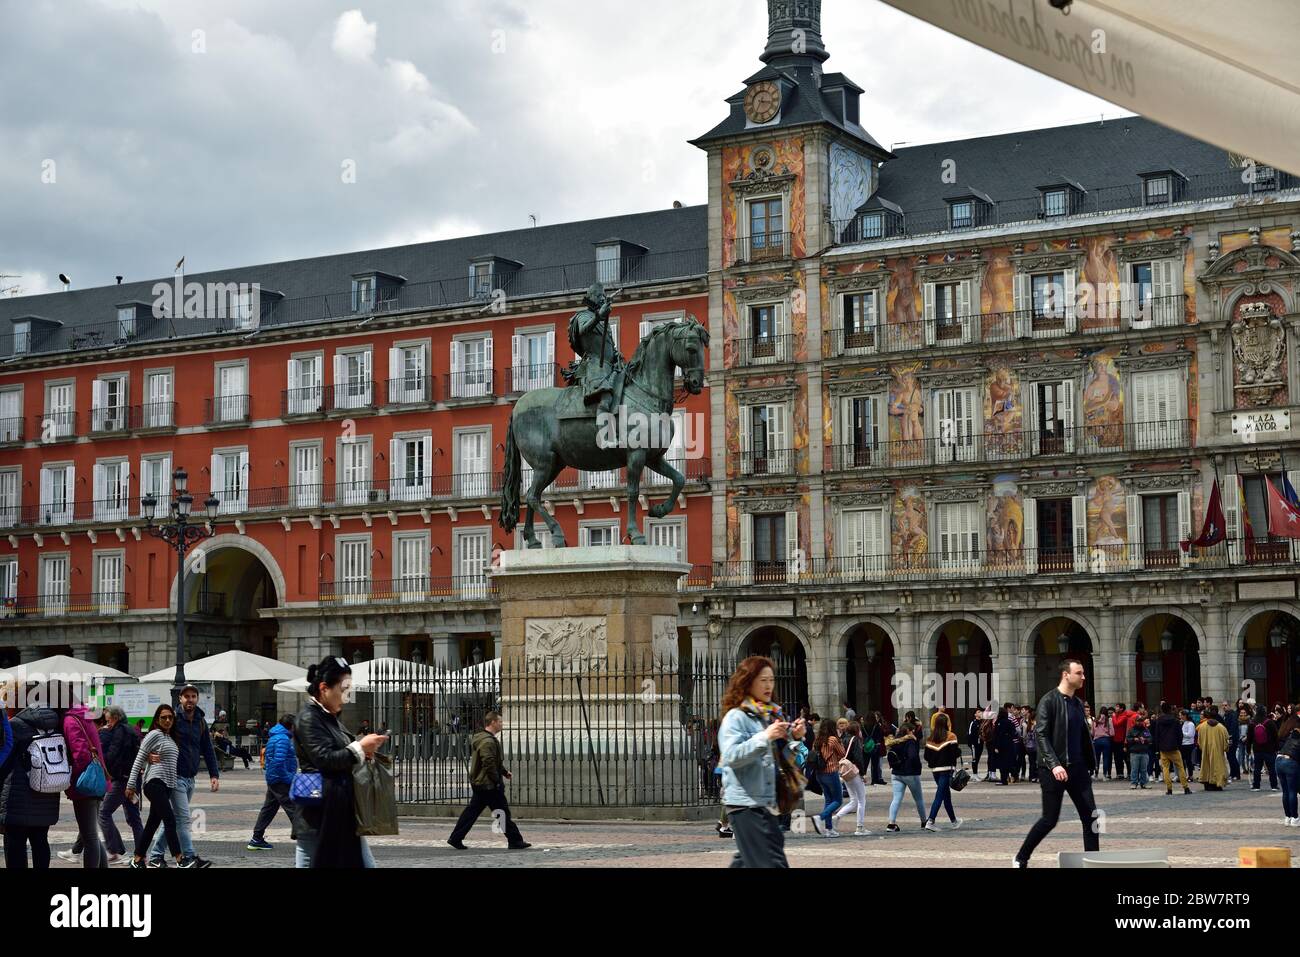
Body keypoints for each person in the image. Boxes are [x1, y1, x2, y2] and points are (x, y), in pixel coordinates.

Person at [713, 656, 807, 867]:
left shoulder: (766, 715)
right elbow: (731, 757)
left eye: (771, 680)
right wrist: (765, 736)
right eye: (763, 680)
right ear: (748, 681)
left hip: (765, 802)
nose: (768, 685)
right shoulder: (736, 717)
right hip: (745, 804)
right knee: (772, 863)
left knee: (749, 862)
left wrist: (795, 738)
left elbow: (778, 761)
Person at [293, 658, 386, 867]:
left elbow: (343, 754)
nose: (347, 697)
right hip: (317, 810)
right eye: (344, 689)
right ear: (324, 688)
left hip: (340, 808)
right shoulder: (309, 717)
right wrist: (360, 748)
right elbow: (324, 759)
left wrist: (364, 751)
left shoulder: (330, 716)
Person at [1014, 659, 1099, 867]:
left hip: (1078, 769)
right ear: (1065, 675)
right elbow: (1041, 735)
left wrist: (1090, 763)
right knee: (1049, 820)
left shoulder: (1078, 704)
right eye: (1079, 673)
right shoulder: (1049, 701)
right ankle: (1021, 858)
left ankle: (1094, 861)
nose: (1083, 677)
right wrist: (1054, 764)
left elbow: (1083, 737)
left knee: (1093, 818)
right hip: (1053, 770)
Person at [146, 683, 220, 868]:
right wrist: (149, 754)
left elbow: (208, 750)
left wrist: (214, 774)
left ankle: (156, 856)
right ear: (180, 699)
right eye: (186, 696)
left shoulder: (200, 721)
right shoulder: (173, 718)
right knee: (184, 818)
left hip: (190, 778)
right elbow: (154, 736)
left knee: (173, 818)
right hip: (174, 776)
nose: (190, 699)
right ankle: (189, 856)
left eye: (193, 696)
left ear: (197, 699)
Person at [447, 710, 531, 851]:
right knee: (502, 812)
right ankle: (515, 840)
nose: (501, 724)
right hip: (488, 784)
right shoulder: (487, 741)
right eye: (500, 721)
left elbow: (492, 761)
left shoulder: (482, 738)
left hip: (481, 783)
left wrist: (504, 772)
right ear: (492, 722)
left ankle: (455, 838)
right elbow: (489, 762)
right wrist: (497, 780)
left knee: (472, 812)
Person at [0, 683, 63, 868]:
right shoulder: (54, 724)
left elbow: (5, 760)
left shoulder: (15, 725)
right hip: (48, 793)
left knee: (15, 845)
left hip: (17, 797)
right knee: (40, 841)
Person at [125, 704, 190, 869]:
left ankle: (137, 859)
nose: (167, 720)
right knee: (170, 819)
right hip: (154, 783)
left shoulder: (170, 738)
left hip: (166, 786)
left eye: (170, 717)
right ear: (157, 719)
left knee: (152, 824)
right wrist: (131, 784)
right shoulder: (154, 734)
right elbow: (139, 758)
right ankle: (180, 859)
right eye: (164, 717)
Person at [62, 691, 108, 869]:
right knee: (92, 835)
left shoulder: (70, 719)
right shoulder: (84, 714)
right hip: (98, 781)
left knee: (89, 837)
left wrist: (77, 779)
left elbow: (80, 754)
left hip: (86, 784)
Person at [247, 714, 301, 851]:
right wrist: (289, 778)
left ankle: (256, 838)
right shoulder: (282, 739)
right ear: (291, 726)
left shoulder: (276, 737)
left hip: (274, 779)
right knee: (294, 808)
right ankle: (306, 839)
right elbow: (278, 762)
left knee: (268, 809)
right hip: (280, 780)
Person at [884, 720, 927, 832]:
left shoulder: (895, 741)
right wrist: (917, 767)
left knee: (896, 798)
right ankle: (924, 822)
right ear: (908, 731)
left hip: (896, 773)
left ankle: (891, 824)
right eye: (912, 730)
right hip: (910, 773)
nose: (914, 732)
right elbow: (913, 756)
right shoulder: (910, 741)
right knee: (918, 799)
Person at [924, 713, 962, 831]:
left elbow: (926, 756)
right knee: (940, 795)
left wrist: (934, 761)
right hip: (946, 769)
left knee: (946, 795)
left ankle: (954, 821)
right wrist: (958, 752)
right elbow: (954, 754)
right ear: (946, 723)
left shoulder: (930, 738)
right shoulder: (951, 736)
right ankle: (930, 820)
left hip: (935, 770)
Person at [832, 719, 870, 836]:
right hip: (854, 771)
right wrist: (863, 773)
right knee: (861, 800)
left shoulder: (843, 739)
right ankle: (860, 827)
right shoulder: (856, 740)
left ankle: (837, 817)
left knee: (853, 800)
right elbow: (859, 758)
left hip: (845, 771)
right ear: (857, 730)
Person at [810, 718, 845, 837]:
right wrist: (839, 740)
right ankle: (820, 817)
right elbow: (843, 753)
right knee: (838, 800)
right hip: (831, 772)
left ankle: (829, 829)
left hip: (819, 773)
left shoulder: (817, 740)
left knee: (829, 800)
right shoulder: (833, 739)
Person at [1154, 703, 1192, 795]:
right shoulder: (1175, 721)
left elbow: (1156, 735)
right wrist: (1179, 745)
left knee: (1165, 768)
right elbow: (1180, 734)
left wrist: (1157, 747)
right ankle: (1185, 787)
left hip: (1163, 748)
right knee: (1180, 767)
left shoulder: (1159, 721)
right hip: (1174, 747)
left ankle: (1169, 789)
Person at [1197, 707, 1230, 791]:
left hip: (1206, 751)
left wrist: (1203, 748)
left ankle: (1207, 783)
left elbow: (1199, 741)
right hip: (1218, 752)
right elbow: (1226, 741)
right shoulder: (1221, 727)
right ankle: (1217, 784)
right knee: (1218, 767)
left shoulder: (1202, 726)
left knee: (1206, 766)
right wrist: (1225, 749)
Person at [1249, 706, 1280, 792]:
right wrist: (1277, 748)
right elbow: (1275, 737)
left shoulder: (1252, 723)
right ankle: (1274, 785)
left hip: (1257, 749)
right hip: (1269, 749)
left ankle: (1256, 786)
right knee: (1271, 768)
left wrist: (1248, 749)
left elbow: (1249, 738)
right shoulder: (1270, 723)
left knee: (1257, 768)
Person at [1277, 718, 1300, 826]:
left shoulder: (1290, 736)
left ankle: (1288, 817)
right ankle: (1295, 818)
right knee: (1292, 791)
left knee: (1285, 791)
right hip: (1290, 762)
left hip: (1279, 760)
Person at [1126, 715, 1152, 789]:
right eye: (1138, 721)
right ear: (1135, 721)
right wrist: (1134, 739)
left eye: (1141, 721)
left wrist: (1145, 739)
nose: (1140, 722)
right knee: (1134, 769)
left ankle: (1144, 783)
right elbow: (1127, 739)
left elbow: (1150, 739)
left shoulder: (1146, 730)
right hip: (1134, 752)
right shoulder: (1131, 730)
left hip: (1144, 752)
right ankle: (1134, 783)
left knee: (1144, 769)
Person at [993, 706, 1017, 785]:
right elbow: (1014, 733)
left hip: (1002, 746)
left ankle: (1004, 779)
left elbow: (998, 735)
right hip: (1010, 745)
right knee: (1008, 762)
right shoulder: (1009, 722)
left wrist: (996, 746)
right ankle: (1012, 775)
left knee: (1002, 763)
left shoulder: (999, 723)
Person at [1111, 702, 1133, 780]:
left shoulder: (1124, 716)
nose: (1115, 708)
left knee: (1126, 758)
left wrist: (1113, 716)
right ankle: (1119, 774)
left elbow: (1117, 723)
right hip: (1115, 739)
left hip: (1122, 740)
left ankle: (1130, 773)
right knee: (1117, 758)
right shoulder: (1117, 715)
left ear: (1121, 708)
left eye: (1117, 707)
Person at [1091, 708, 1113, 779]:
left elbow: (1092, 733)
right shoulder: (1108, 720)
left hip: (1097, 741)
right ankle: (1104, 775)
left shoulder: (1095, 720)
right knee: (1105, 758)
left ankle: (1096, 775)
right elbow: (1112, 733)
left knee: (1096, 758)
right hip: (1106, 740)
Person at [1178, 710, 1197, 782]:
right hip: (1183, 744)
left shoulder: (1191, 724)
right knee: (1182, 760)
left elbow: (1190, 735)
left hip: (1189, 744)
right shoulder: (1183, 723)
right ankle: (1184, 775)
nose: (1180, 717)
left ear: (1184, 715)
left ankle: (1190, 775)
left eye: (1181, 715)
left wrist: (1182, 733)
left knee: (1188, 760)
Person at [968, 712, 984, 777]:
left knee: (978, 758)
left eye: (981, 712)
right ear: (975, 714)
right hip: (974, 744)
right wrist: (971, 743)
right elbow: (970, 733)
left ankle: (976, 774)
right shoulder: (973, 723)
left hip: (980, 743)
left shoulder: (982, 722)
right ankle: (974, 775)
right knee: (975, 759)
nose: (980, 713)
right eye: (978, 712)